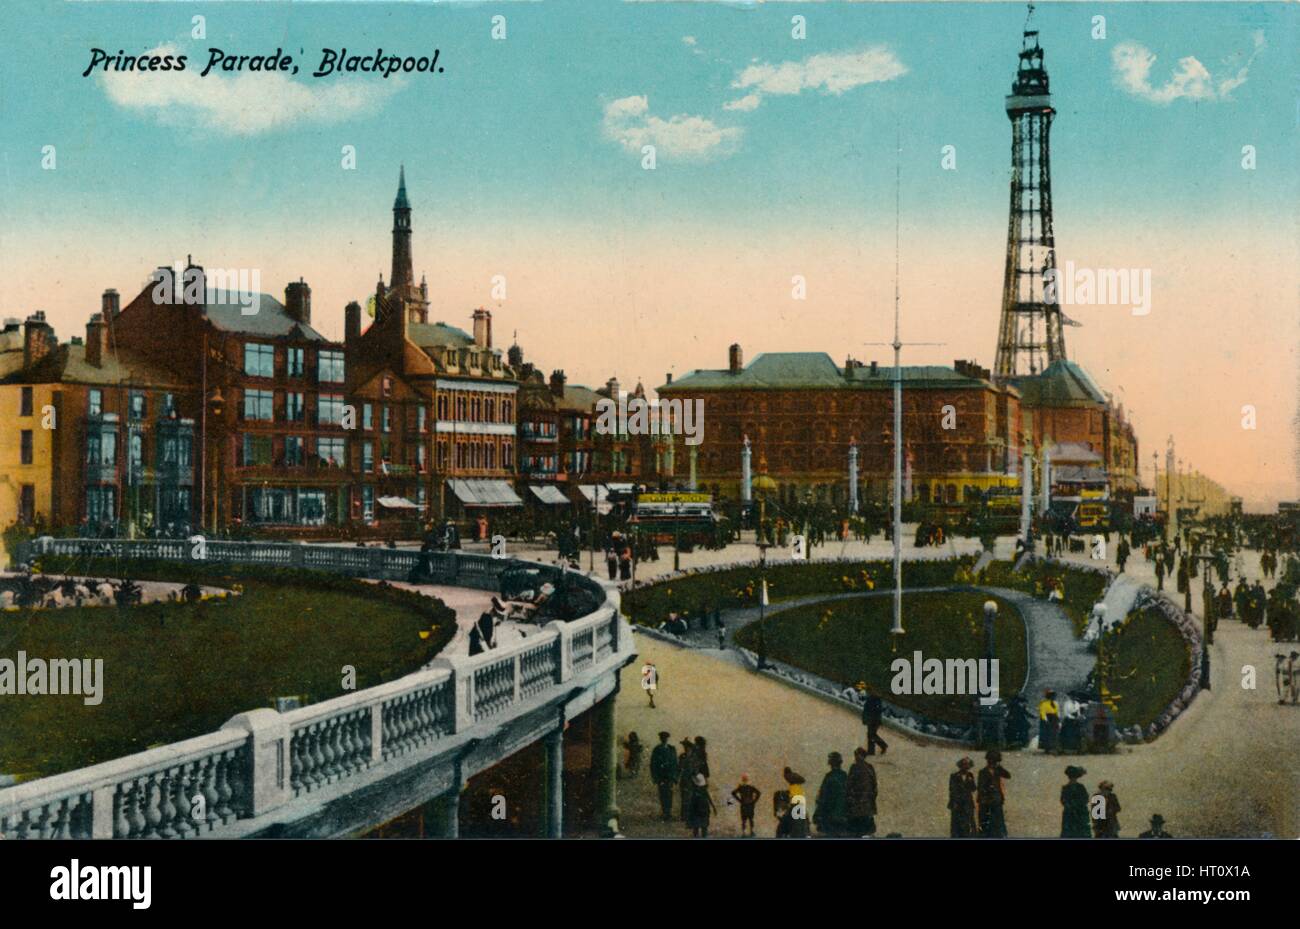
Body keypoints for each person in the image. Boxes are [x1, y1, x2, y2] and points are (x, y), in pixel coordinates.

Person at [813, 752, 849, 837]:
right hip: (844, 816)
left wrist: (817, 814)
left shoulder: (829, 777)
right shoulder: (845, 776)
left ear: (831, 764)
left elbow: (822, 798)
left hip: (830, 817)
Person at [977, 750, 1011, 838]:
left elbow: (1008, 775)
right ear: (988, 761)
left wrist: (1000, 767)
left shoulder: (998, 770)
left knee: (997, 818)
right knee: (986, 819)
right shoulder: (983, 772)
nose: (992, 763)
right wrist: (982, 799)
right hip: (986, 798)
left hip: (996, 798)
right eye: (991, 760)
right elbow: (980, 787)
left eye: (995, 761)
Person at [846, 747, 879, 837]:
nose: (855, 758)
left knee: (856, 831)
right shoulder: (870, 768)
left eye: (856, 755)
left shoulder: (854, 768)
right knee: (866, 830)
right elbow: (875, 787)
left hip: (857, 806)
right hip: (867, 805)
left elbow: (849, 786)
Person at [649, 731, 678, 821]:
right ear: (660, 739)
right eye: (663, 738)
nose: (664, 739)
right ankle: (665, 812)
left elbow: (675, 763)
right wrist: (655, 777)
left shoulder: (672, 749)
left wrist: (675, 776)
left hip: (669, 776)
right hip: (661, 776)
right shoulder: (657, 749)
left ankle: (668, 813)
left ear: (667, 739)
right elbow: (653, 764)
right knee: (662, 794)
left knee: (669, 794)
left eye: (666, 738)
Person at [947, 757, 976, 838]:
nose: (965, 766)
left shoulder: (970, 775)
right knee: (957, 825)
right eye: (964, 764)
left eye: (967, 765)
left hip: (968, 804)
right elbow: (951, 789)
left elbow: (973, 789)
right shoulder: (954, 776)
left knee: (969, 823)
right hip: (957, 804)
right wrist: (954, 802)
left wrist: (971, 781)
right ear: (960, 766)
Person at [1060, 765, 1091, 838]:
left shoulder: (1080, 787)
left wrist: (1075, 805)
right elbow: (1063, 801)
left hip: (1079, 813)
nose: (1073, 779)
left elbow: (1085, 799)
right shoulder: (1066, 788)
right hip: (1071, 813)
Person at [860, 686, 889, 755]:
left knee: (871, 734)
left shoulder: (874, 699)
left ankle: (881, 746)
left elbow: (875, 710)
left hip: (874, 720)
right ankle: (873, 750)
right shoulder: (873, 699)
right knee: (871, 735)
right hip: (873, 719)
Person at [687, 772, 716, 837]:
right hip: (703, 810)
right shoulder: (703, 790)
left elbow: (691, 804)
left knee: (697, 828)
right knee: (703, 827)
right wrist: (713, 807)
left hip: (698, 811)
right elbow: (709, 799)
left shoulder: (695, 791)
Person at [1038, 688, 1060, 753]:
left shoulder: (1055, 703)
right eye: (1051, 696)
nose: (1053, 697)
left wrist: (1058, 718)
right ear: (1049, 696)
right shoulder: (1044, 703)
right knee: (1047, 734)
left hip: (1054, 718)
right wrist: (1045, 720)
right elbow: (1043, 712)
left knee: (1054, 733)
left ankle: (1053, 747)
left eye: (1054, 696)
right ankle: (1047, 748)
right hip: (1048, 719)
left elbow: (1057, 711)